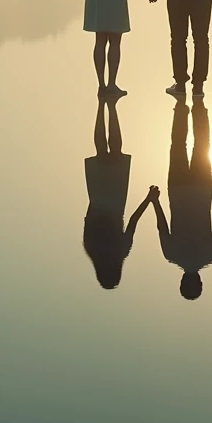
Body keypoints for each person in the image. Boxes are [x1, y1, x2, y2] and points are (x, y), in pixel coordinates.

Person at [83, 93, 159, 289]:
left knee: (115, 152)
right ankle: (102, 106)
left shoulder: (120, 251)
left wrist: (149, 199)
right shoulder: (90, 248)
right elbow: (87, 219)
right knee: (100, 151)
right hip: (98, 198)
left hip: (115, 200)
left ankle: (112, 107)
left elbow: (133, 221)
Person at [151, 99, 212, 300]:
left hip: (201, 191)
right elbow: (162, 227)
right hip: (178, 190)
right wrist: (154, 201)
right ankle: (181, 105)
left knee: (202, 145)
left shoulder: (210, 255)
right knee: (178, 145)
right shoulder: (171, 255)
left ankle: (199, 104)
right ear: (182, 281)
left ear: (200, 282)